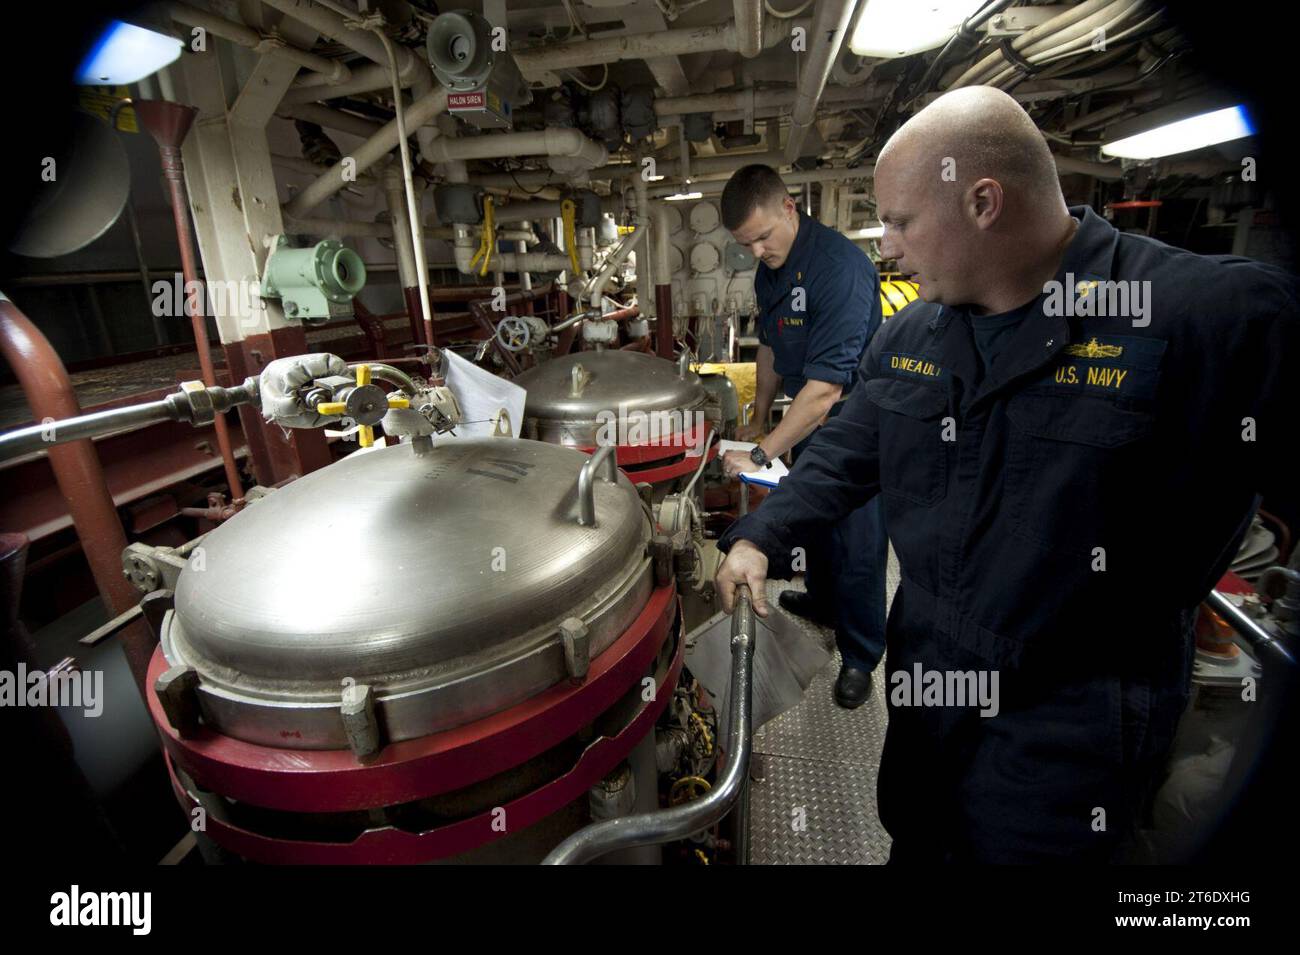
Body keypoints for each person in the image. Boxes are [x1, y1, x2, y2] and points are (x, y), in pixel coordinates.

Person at [713, 86, 1298, 862]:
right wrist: (760, 534)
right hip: (929, 694)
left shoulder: (1204, 320)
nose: (885, 244)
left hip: (1069, 723)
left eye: (900, 220)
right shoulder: (913, 334)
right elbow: (848, 453)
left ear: (983, 201)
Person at [719, 164, 888, 708]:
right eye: (747, 244)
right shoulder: (770, 272)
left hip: (861, 421)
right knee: (813, 521)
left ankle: (862, 654)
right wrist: (761, 416)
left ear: (789, 208)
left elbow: (825, 392)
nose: (758, 251)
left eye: (764, 236)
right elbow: (769, 346)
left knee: (857, 542)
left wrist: (763, 449)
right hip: (811, 417)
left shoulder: (840, 268)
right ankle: (822, 601)